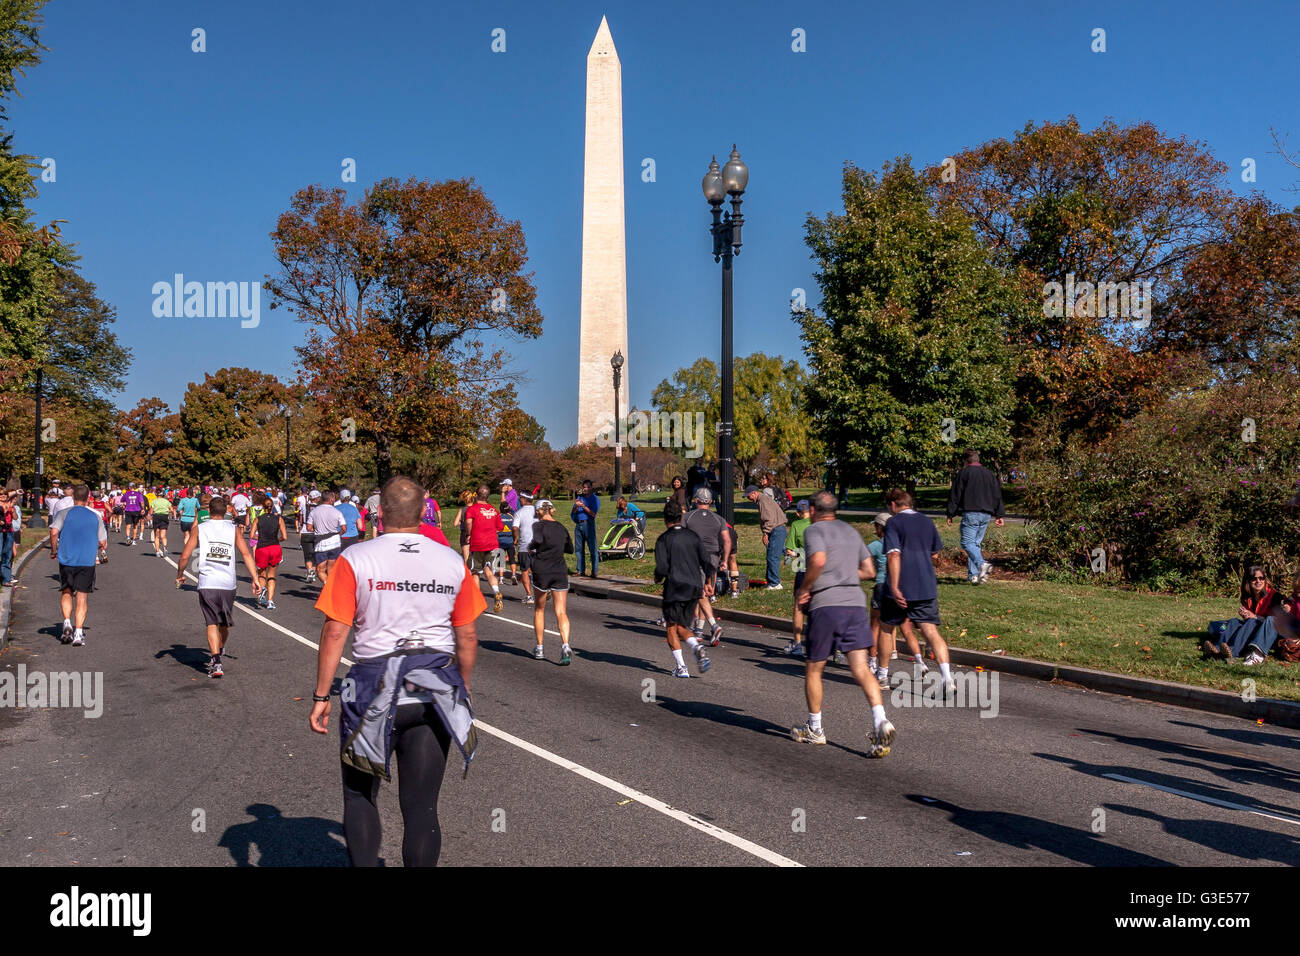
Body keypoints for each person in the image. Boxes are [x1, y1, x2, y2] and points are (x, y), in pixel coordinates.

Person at [310, 476, 482, 867]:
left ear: (379, 512)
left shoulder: (356, 557)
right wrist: (463, 688)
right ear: (424, 513)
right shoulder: (452, 561)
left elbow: (336, 629)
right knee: (422, 809)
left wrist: (322, 695)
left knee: (359, 795)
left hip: (372, 686)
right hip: (433, 690)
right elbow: (467, 636)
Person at [790, 491, 896, 756]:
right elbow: (869, 571)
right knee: (861, 668)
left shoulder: (814, 531)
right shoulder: (850, 531)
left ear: (813, 510)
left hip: (827, 605)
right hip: (855, 605)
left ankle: (815, 729)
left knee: (815, 668)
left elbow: (818, 561)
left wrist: (807, 587)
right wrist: (845, 574)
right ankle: (880, 720)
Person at [880, 488, 957, 697]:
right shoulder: (927, 521)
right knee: (931, 631)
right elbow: (935, 552)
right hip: (926, 585)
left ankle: (882, 675)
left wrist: (895, 586)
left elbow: (894, 555)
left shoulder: (893, 523)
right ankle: (947, 678)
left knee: (886, 628)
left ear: (893, 505)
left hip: (901, 586)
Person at [175, 496, 262, 677]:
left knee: (212, 622)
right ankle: (218, 653)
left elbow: (185, 556)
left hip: (207, 582)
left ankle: (216, 659)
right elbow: (246, 554)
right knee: (223, 622)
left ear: (209, 511)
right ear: (226, 511)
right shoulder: (234, 529)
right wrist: (255, 578)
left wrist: (180, 574)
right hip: (228, 582)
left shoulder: (200, 529)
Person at [654, 500, 712, 678]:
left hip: (674, 587)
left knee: (671, 627)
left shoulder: (663, 539)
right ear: (682, 517)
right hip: (694, 587)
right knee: (681, 626)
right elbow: (706, 562)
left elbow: (662, 568)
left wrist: (657, 577)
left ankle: (681, 667)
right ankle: (697, 646)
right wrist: (708, 582)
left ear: (665, 519)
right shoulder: (693, 536)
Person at [48, 484, 108, 646]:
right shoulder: (95, 516)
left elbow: (54, 532)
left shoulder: (63, 514)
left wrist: (54, 550)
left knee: (66, 591)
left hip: (67, 558)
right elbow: (103, 542)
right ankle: (78, 633)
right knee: (82, 596)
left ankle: (67, 622)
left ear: (73, 497)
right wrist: (91, 544)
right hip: (86, 560)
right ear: (88, 498)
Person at [945, 449, 1005, 585]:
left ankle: (982, 564)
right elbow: (996, 494)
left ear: (966, 461)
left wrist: (950, 513)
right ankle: (974, 575)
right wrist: (999, 514)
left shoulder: (964, 473)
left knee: (967, 543)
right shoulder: (989, 474)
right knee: (975, 544)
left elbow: (956, 494)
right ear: (978, 460)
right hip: (986, 515)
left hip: (971, 513)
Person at [1203, 566, 1283, 664]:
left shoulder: (1275, 597)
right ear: (1248, 581)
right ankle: (1217, 648)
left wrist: (1254, 616)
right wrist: (1246, 615)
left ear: (1265, 579)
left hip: (1267, 633)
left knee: (1251, 622)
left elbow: (1275, 622)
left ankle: (1232, 652)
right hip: (1253, 625)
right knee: (1233, 622)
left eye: (1261, 578)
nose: (1258, 581)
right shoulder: (1247, 597)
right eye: (1254, 579)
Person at [527, 499, 574, 664]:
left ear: (539, 511)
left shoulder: (538, 526)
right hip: (559, 570)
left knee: (539, 609)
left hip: (542, 570)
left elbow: (538, 541)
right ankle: (565, 645)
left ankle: (539, 647)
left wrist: (530, 547)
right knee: (561, 611)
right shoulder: (561, 527)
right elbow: (570, 549)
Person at [681, 488, 728, 644]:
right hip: (713, 558)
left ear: (696, 501)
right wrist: (725, 560)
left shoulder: (688, 516)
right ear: (710, 502)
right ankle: (699, 630)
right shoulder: (719, 519)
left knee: (698, 591)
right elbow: (727, 541)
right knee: (704, 593)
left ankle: (714, 625)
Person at [465, 485, 505, 613]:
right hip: (492, 544)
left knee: (475, 572)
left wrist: (469, 534)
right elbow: (500, 527)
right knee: (489, 572)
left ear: (476, 495)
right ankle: (497, 592)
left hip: (477, 543)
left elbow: (469, 523)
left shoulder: (472, 509)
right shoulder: (494, 510)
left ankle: (477, 600)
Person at [746, 484, 789, 590]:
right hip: (778, 529)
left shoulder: (763, 501)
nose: (748, 498)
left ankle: (775, 583)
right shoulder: (764, 499)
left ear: (754, 493)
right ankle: (771, 581)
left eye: (749, 496)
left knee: (772, 557)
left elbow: (768, 518)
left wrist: (765, 533)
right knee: (771, 556)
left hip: (776, 530)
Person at [783, 500, 812, 656]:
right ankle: (835, 648)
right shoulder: (818, 524)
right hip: (822, 572)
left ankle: (798, 643)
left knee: (799, 608)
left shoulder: (796, 525)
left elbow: (789, 550)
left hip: (803, 570)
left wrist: (796, 553)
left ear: (798, 513)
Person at [251, 491, 287, 609]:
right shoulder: (279, 519)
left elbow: (252, 535)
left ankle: (262, 592)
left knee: (262, 573)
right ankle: (270, 601)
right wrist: (277, 539)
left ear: (263, 507)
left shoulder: (258, 519)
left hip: (262, 548)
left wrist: (260, 537)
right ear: (272, 507)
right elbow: (285, 537)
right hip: (275, 547)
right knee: (272, 575)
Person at [306, 490, 347, 585]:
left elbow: (308, 527)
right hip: (335, 543)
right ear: (331, 499)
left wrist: (317, 531)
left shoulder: (314, 512)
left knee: (320, 570)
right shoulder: (337, 512)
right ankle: (330, 588)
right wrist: (338, 534)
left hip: (321, 544)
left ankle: (327, 585)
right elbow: (344, 528)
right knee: (331, 569)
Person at [571, 479, 600, 578]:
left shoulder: (594, 499)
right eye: (584, 487)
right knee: (579, 549)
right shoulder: (580, 497)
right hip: (578, 525)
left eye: (588, 487)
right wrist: (576, 506)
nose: (586, 489)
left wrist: (583, 506)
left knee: (592, 548)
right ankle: (580, 570)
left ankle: (594, 571)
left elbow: (593, 514)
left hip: (588, 524)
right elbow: (573, 512)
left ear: (591, 488)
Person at [514, 489, 538, 606]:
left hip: (524, 546)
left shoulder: (519, 512)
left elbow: (514, 528)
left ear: (523, 499)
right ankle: (542, 591)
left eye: (520, 498)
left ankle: (529, 596)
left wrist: (515, 538)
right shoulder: (538, 511)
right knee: (538, 570)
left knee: (524, 571)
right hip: (538, 546)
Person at [149, 488, 175, 557]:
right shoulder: (166, 501)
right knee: (163, 535)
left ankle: (157, 552)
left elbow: (151, 512)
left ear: (156, 494)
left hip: (156, 517)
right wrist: (166, 511)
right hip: (164, 516)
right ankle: (165, 548)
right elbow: (172, 510)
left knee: (156, 536)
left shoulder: (154, 501)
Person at [452, 490, 475, 563]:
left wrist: (462, 521)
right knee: (476, 558)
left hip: (465, 533)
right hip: (476, 533)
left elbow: (455, 523)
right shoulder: (476, 508)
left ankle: (468, 573)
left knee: (466, 558)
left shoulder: (462, 509)